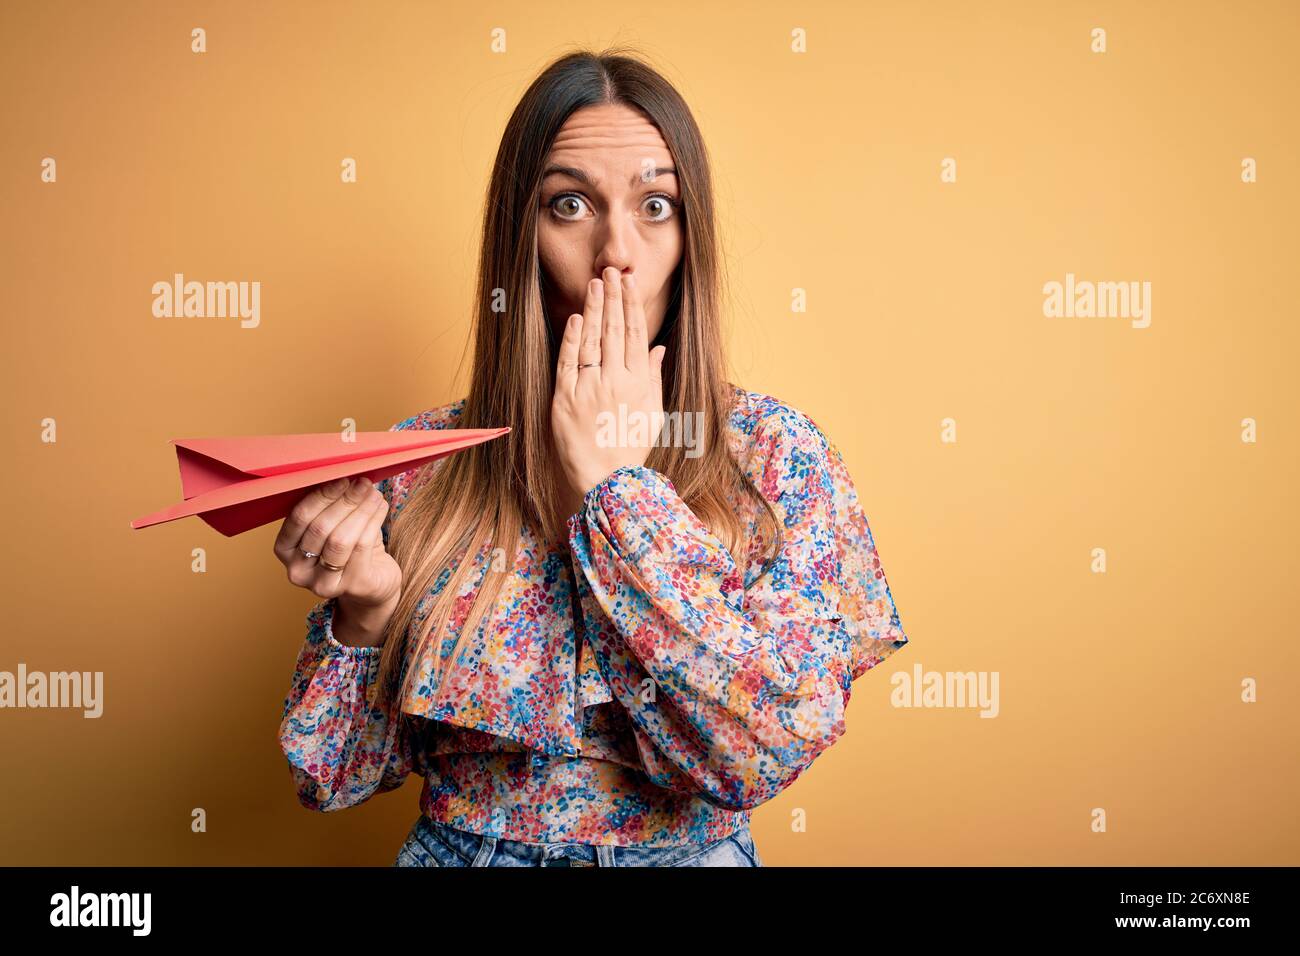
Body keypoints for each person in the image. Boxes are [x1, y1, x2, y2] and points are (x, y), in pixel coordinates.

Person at [274, 47, 909, 868]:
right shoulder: (425, 464)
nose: (617, 251)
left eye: (655, 204)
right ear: (521, 237)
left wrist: (618, 488)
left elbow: (763, 751)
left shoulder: (777, 456)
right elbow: (331, 777)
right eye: (569, 205)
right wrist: (365, 616)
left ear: (691, 236)